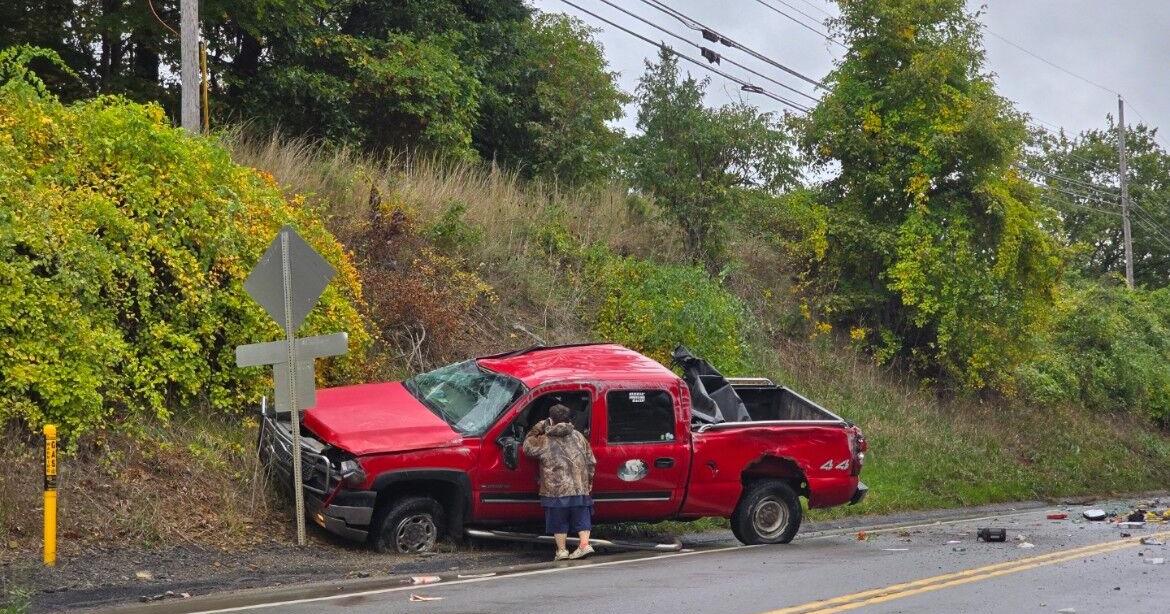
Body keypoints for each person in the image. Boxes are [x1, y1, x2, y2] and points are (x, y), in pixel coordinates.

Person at [522, 403, 597, 560]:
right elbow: (591, 461)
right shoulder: (578, 436)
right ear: (568, 419)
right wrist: (588, 482)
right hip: (578, 487)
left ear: (551, 420)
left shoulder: (544, 440)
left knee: (558, 520)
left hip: (555, 490)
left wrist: (539, 426)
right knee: (582, 516)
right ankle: (584, 545)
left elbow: (527, 447)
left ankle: (562, 550)